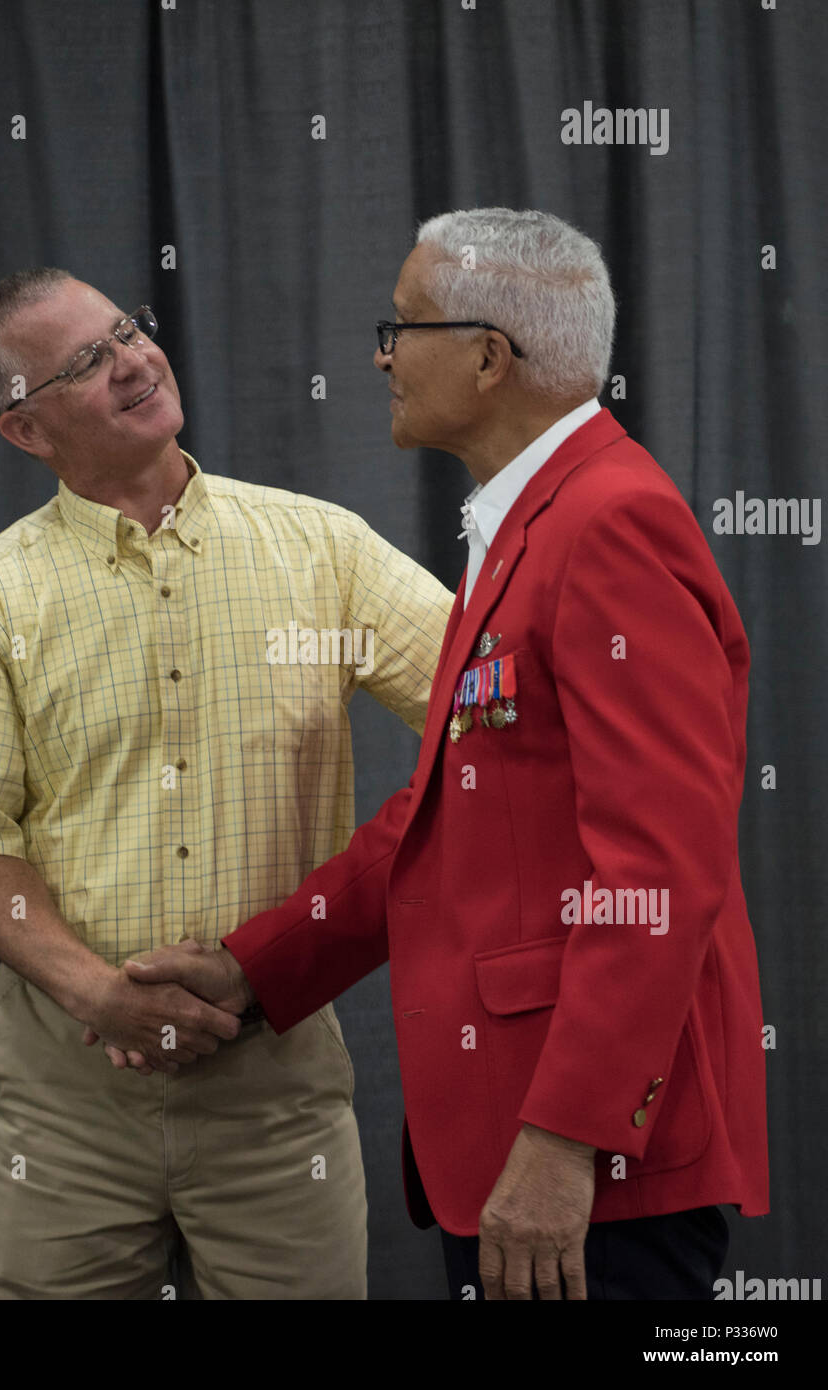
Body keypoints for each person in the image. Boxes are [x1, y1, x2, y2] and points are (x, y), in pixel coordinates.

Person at [98, 209, 770, 1301]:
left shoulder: (605, 524)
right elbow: (437, 823)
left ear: (487, 357)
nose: (379, 355)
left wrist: (564, 1140)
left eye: (400, 326)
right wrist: (253, 967)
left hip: (593, 1170)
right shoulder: (526, 523)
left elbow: (656, 875)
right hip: (521, 1143)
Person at [0, 267, 454, 1299]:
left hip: (273, 1089)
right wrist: (101, 995)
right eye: (85, 361)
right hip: (64, 1099)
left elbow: (485, 714)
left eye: (126, 331)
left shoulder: (320, 549)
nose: (134, 362)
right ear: (25, 430)